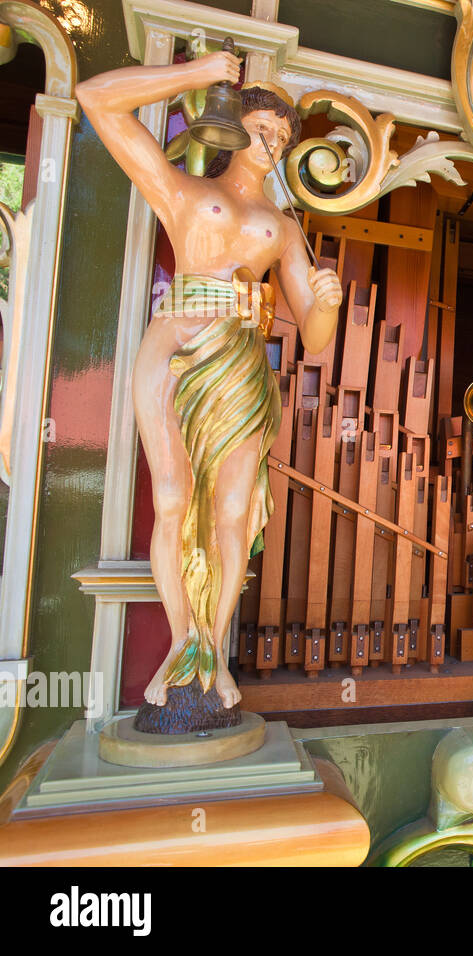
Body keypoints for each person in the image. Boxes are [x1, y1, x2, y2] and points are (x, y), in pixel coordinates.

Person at [76, 48, 343, 713]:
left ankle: (213, 649)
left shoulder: (283, 231)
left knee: (231, 512)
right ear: (234, 124)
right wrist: (197, 78)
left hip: (241, 366)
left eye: (284, 136)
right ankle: (179, 644)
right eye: (263, 127)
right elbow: (96, 98)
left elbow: (312, 334)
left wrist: (330, 302)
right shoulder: (183, 192)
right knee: (171, 496)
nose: (274, 142)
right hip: (174, 347)